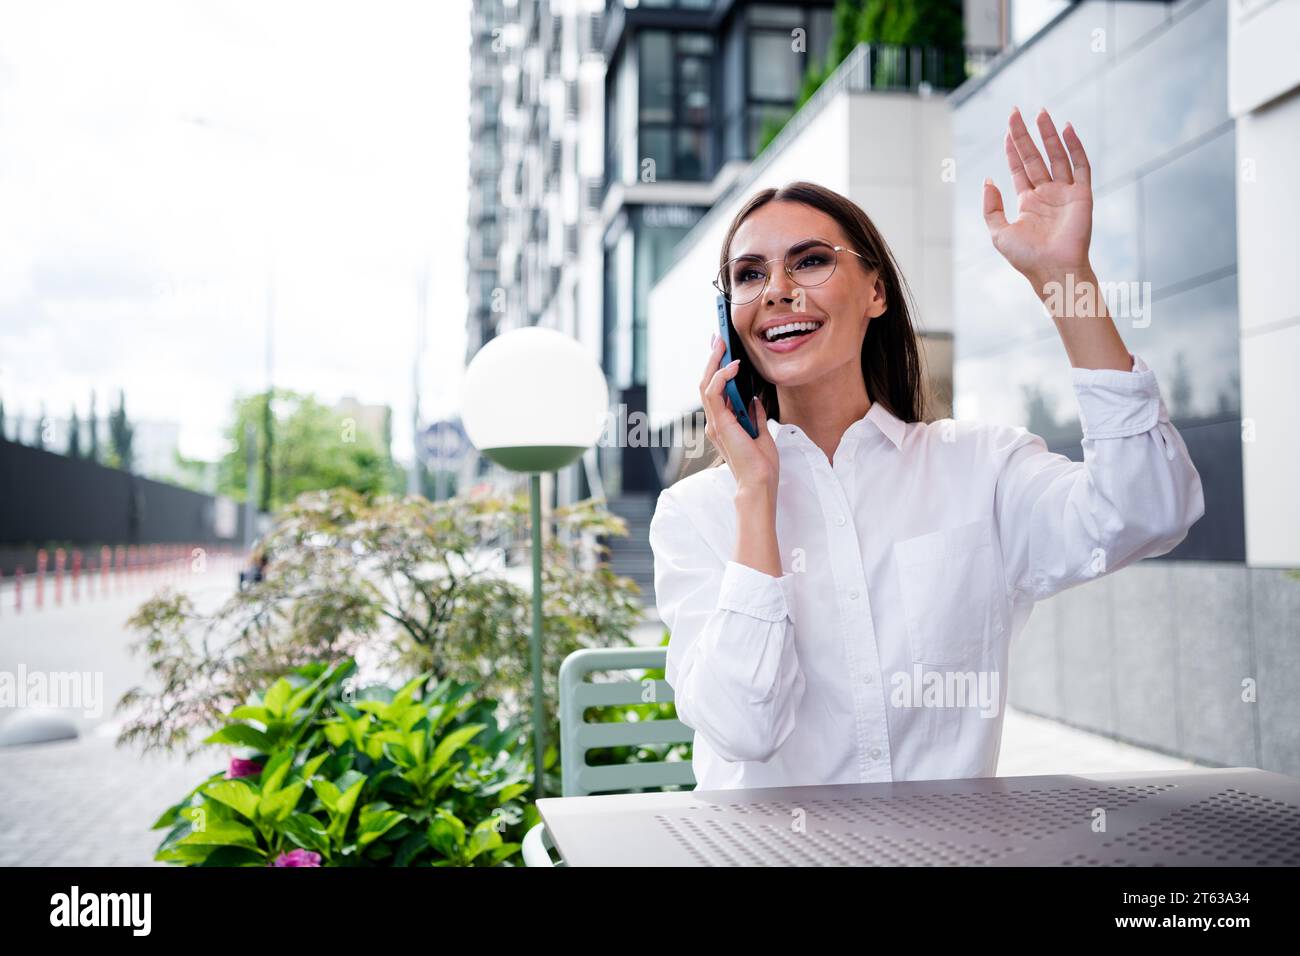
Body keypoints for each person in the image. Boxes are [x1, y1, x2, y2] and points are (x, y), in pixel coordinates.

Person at [648, 108, 1205, 792]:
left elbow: (1149, 511)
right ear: (728, 314)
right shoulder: (694, 514)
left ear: (876, 290)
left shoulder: (980, 467)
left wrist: (1068, 281)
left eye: (812, 260)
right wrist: (756, 495)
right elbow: (744, 729)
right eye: (749, 275)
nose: (778, 290)